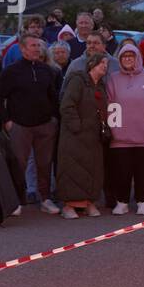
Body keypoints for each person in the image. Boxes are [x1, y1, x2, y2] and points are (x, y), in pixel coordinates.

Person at [0, 31, 61, 215]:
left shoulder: (48, 70)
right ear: (23, 49)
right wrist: (7, 121)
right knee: (18, 165)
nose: (38, 49)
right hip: (20, 126)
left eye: (39, 46)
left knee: (44, 164)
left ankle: (45, 199)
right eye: (33, 45)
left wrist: (54, 119)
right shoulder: (11, 72)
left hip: (45, 125)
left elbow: (53, 97)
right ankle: (16, 201)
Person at [106, 40, 144, 215]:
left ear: (138, 57)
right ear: (120, 59)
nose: (128, 59)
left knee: (143, 170)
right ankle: (122, 202)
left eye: (131, 56)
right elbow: (111, 105)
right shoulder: (113, 79)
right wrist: (114, 130)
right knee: (122, 171)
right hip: (121, 137)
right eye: (125, 56)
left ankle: (142, 202)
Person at [56, 51, 109, 218]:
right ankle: (69, 205)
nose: (105, 67)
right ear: (92, 64)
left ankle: (88, 202)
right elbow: (67, 105)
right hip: (75, 135)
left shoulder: (100, 85)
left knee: (92, 168)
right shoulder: (77, 81)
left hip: (93, 136)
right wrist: (76, 126)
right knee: (72, 169)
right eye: (102, 63)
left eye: (107, 64)